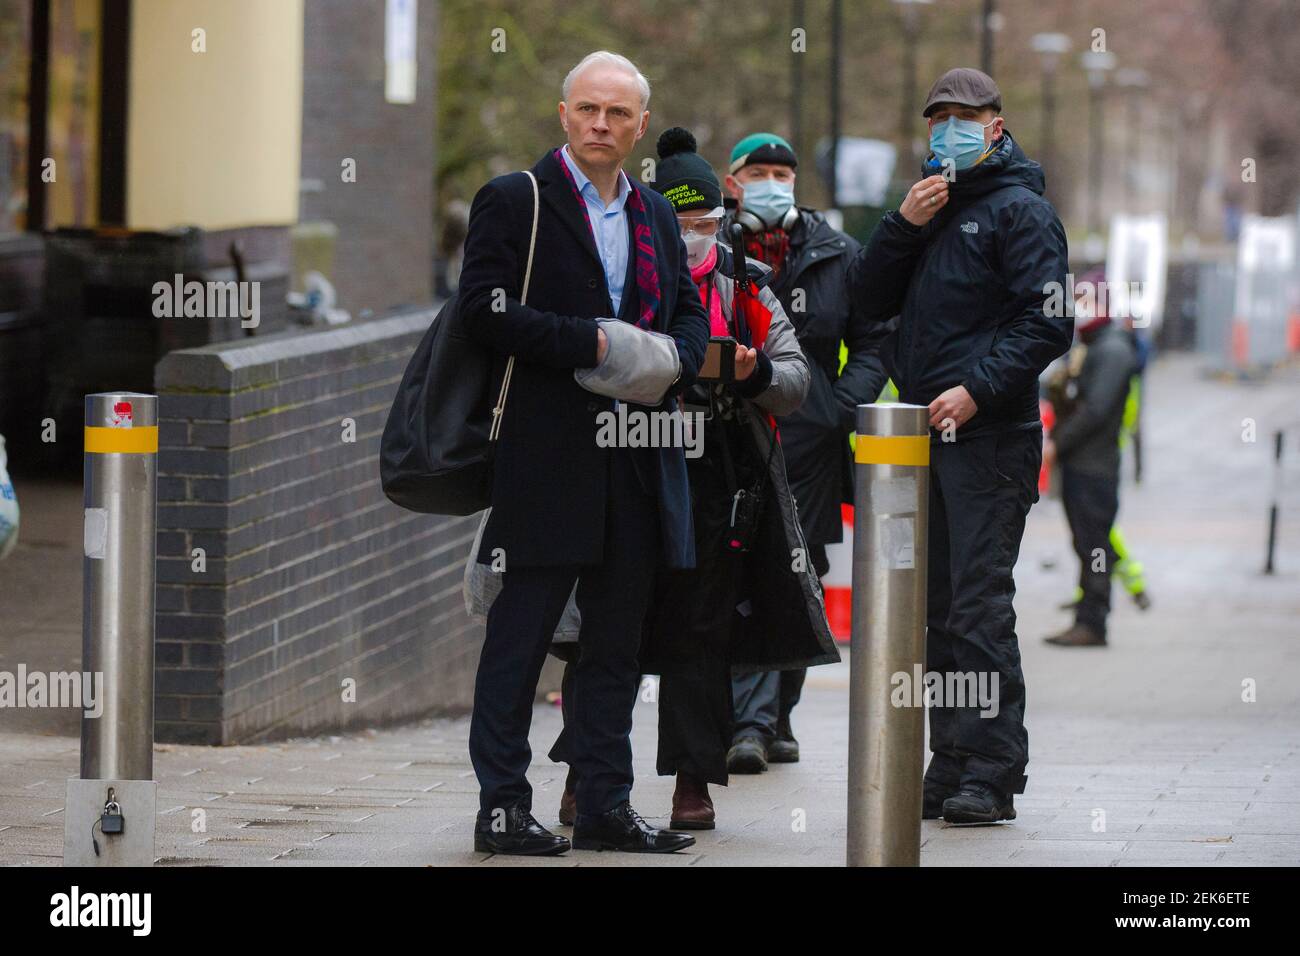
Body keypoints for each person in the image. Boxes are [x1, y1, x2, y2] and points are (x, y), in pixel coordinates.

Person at [458, 51, 708, 855]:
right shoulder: (515, 200)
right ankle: (502, 808)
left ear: (640, 123)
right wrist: (595, 344)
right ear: (563, 114)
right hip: (545, 458)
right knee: (521, 640)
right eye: (589, 110)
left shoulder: (657, 215)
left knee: (614, 648)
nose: (603, 125)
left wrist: (667, 360)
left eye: (619, 114)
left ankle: (605, 804)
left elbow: (690, 315)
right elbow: (484, 311)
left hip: (636, 460)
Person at [556, 128, 837, 830]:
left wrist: (753, 372)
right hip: (630, 466)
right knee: (607, 630)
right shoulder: (619, 276)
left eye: (707, 224)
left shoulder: (746, 286)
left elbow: (798, 379)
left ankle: (693, 782)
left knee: (700, 634)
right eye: (679, 226)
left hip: (715, 483)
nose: (694, 238)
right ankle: (583, 772)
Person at [846, 67, 1071, 823]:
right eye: (940, 118)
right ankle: (950, 755)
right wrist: (901, 226)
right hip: (919, 440)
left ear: (996, 128)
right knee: (934, 608)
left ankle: (993, 768)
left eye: (967, 118)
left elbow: (1047, 323)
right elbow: (866, 302)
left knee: (977, 607)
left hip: (989, 441)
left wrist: (977, 389)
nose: (952, 130)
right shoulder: (925, 209)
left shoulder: (1022, 211)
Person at [720, 132, 887, 773]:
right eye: (756, 171)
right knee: (740, 567)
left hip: (810, 444)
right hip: (736, 435)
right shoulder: (717, 249)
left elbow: (875, 340)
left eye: (781, 173)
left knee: (798, 570)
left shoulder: (837, 253)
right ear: (732, 182)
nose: (771, 181)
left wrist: (838, 408)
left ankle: (775, 718)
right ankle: (751, 724)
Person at [1042, 271, 1140, 647]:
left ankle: (1094, 622)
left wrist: (1057, 443)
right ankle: (1086, 614)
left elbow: (1096, 410)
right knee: (1087, 543)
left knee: (1094, 545)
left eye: (1086, 299)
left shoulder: (1113, 349)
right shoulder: (1090, 345)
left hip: (1094, 466)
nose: (1078, 307)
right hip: (1082, 463)